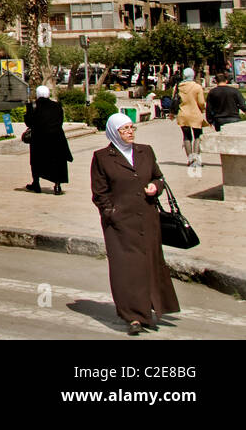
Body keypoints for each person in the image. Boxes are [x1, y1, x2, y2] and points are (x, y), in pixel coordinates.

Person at [91, 112, 179, 335]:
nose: (130, 132)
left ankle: (150, 309)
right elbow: (100, 192)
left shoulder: (145, 151)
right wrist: (111, 214)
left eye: (132, 128)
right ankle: (132, 316)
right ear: (114, 132)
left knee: (149, 264)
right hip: (120, 224)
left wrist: (155, 187)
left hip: (147, 219)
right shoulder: (102, 157)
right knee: (126, 270)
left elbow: (158, 178)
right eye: (124, 129)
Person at [24, 85, 72, 195]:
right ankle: (57, 186)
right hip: (57, 138)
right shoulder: (57, 106)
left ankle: (36, 184)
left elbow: (29, 122)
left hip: (39, 139)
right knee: (57, 162)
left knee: (37, 161)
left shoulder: (33, 105)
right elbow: (60, 121)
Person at [174, 67, 208, 165]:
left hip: (182, 114)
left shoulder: (178, 86)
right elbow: (201, 102)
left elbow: (175, 100)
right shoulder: (197, 87)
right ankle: (196, 159)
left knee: (186, 136)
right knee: (197, 135)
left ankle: (189, 159)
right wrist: (202, 109)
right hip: (195, 114)